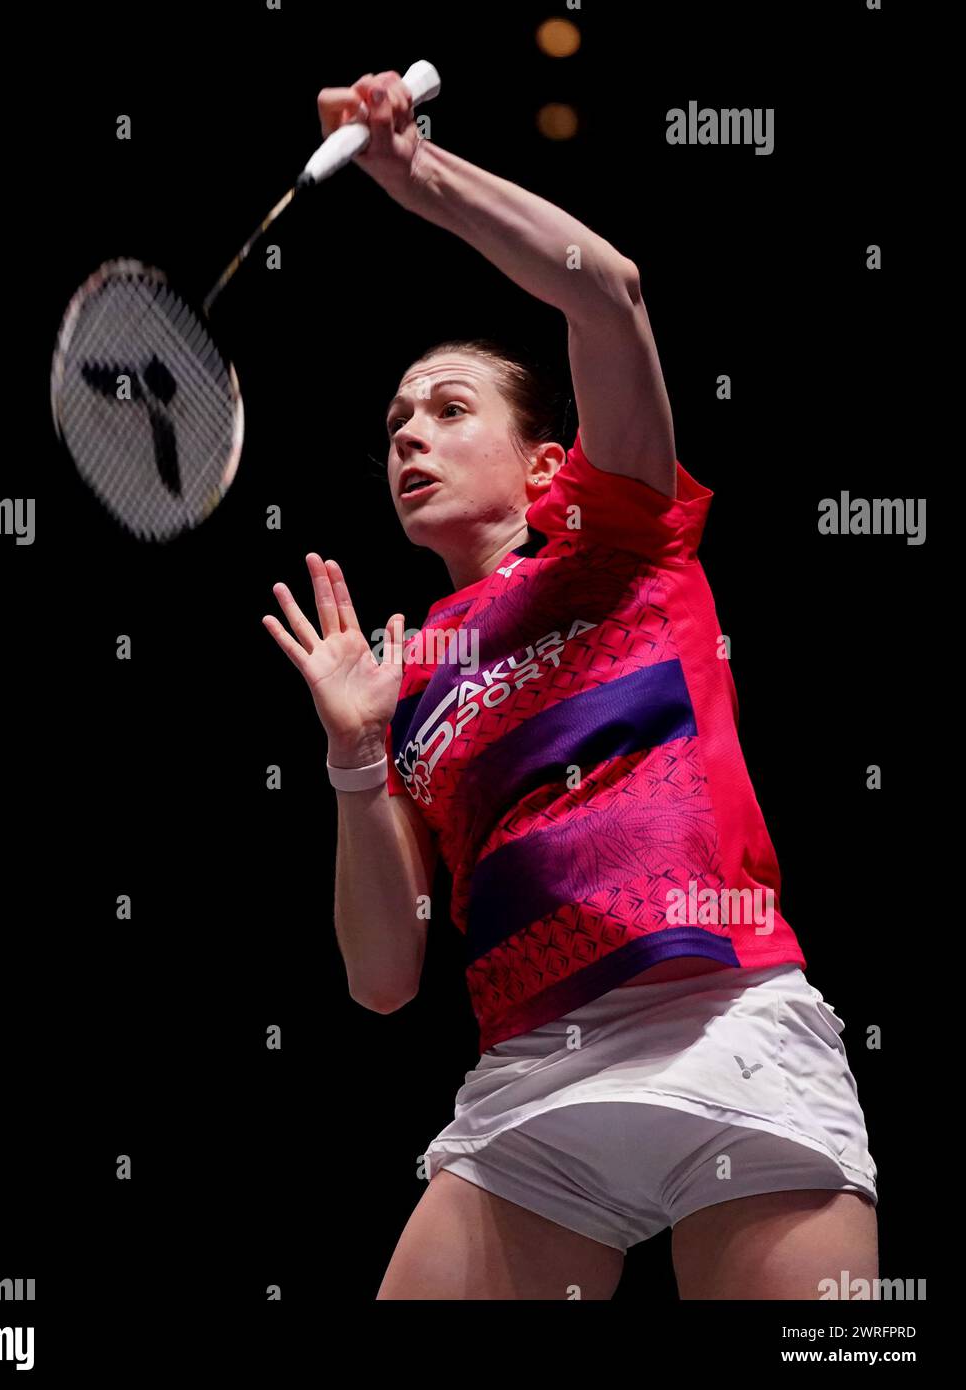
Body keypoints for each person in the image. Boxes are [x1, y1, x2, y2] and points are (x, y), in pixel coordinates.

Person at [261, 71, 878, 1300]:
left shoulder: (621, 538)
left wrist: (417, 174)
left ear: (547, 460)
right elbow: (384, 980)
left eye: (446, 409)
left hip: (730, 1026)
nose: (408, 438)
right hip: (534, 1072)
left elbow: (608, 290)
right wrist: (351, 753)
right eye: (392, 424)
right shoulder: (410, 675)